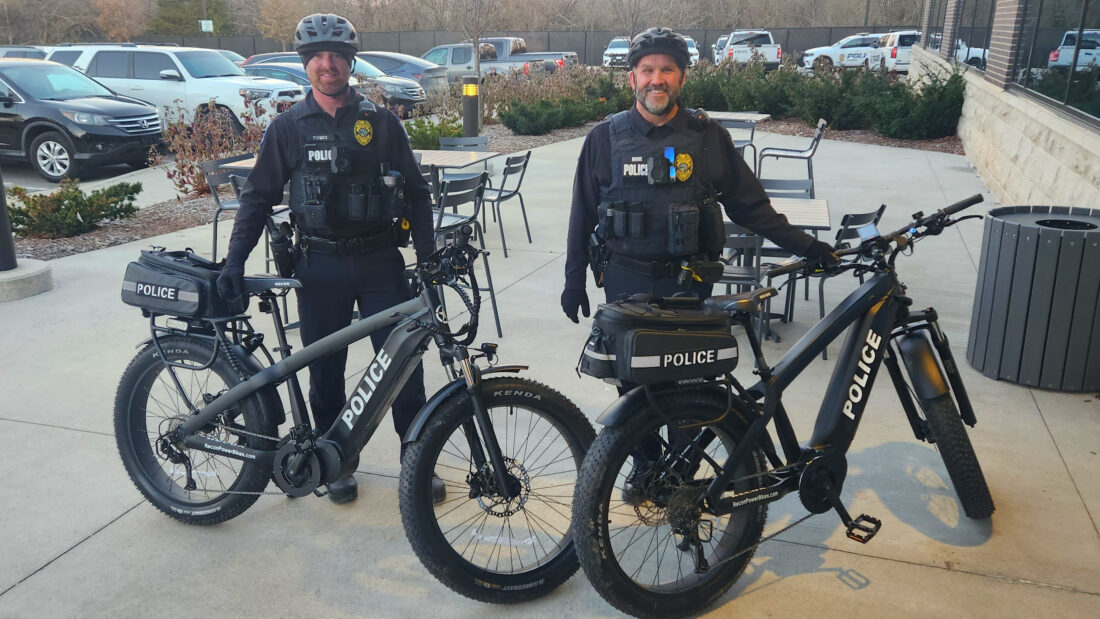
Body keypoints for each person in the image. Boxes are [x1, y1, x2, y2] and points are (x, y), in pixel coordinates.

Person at [560, 27, 838, 500]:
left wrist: (807, 246)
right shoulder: (604, 139)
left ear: (681, 78)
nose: (656, 79)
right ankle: (645, 467)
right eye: (647, 70)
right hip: (625, 281)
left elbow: (752, 208)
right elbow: (581, 214)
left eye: (667, 69)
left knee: (687, 385)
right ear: (632, 78)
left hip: (688, 282)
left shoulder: (708, 138)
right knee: (632, 386)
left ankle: (682, 477)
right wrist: (573, 280)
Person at [216, 13, 440, 505]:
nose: (326, 64)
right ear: (305, 65)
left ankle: (416, 457)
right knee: (325, 372)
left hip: (381, 261)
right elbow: (256, 199)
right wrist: (234, 262)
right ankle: (335, 460)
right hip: (319, 266)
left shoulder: (380, 123)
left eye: (335, 55)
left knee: (404, 364)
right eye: (315, 56)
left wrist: (428, 260)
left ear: (350, 61)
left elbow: (419, 196)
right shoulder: (287, 128)